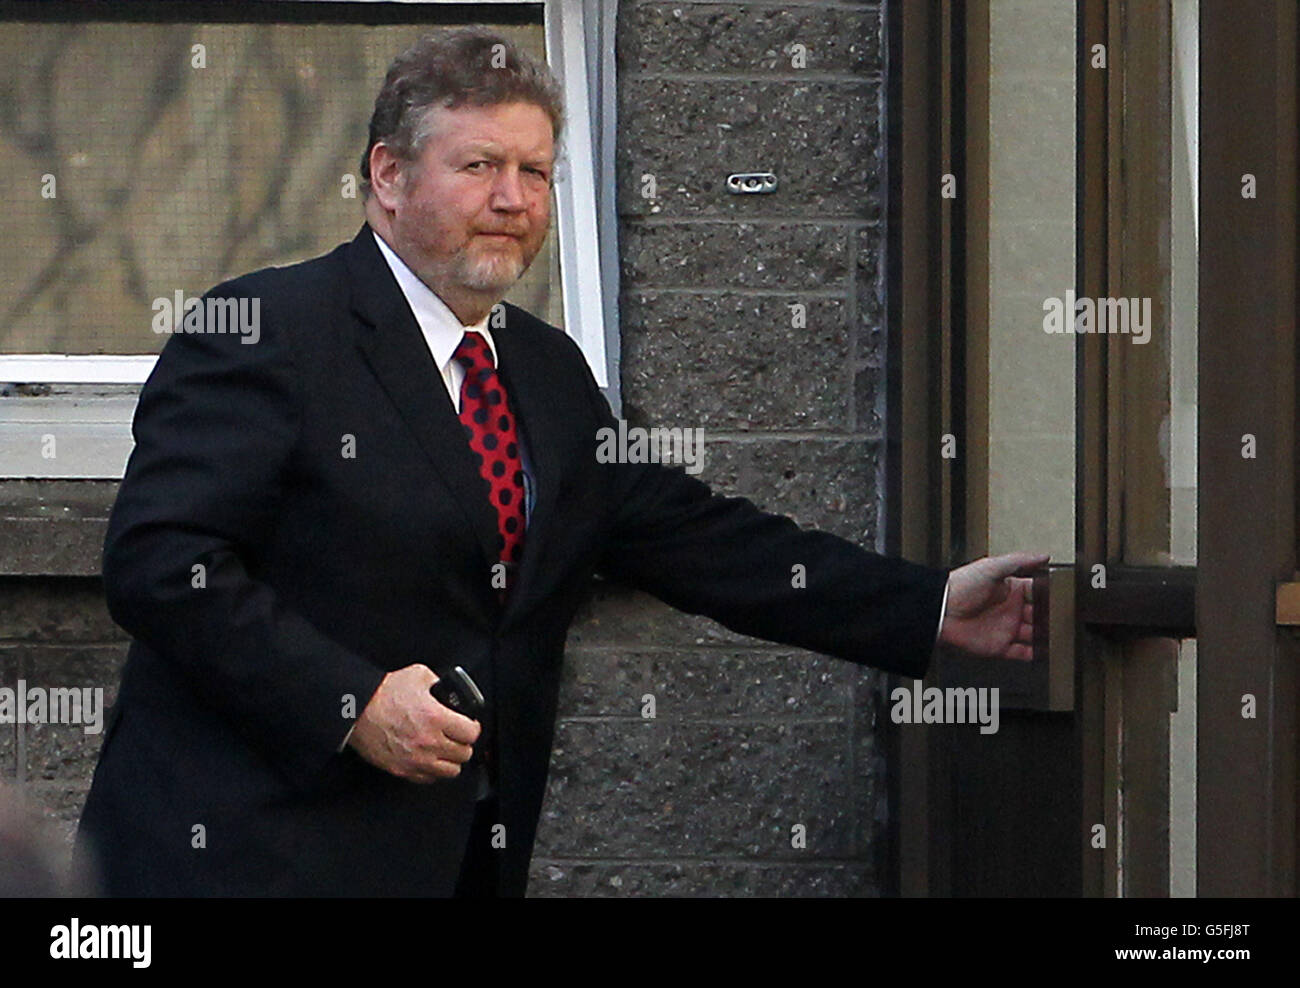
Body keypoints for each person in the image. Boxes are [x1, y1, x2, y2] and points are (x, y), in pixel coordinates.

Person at [75, 28, 1046, 897]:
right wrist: (351, 700)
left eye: (535, 173)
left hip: (460, 859)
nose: (512, 200)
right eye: (481, 165)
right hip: (244, 858)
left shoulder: (541, 370)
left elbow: (695, 536)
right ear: (386, 175)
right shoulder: (267, 333)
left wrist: (927, 607)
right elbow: (164, 563)